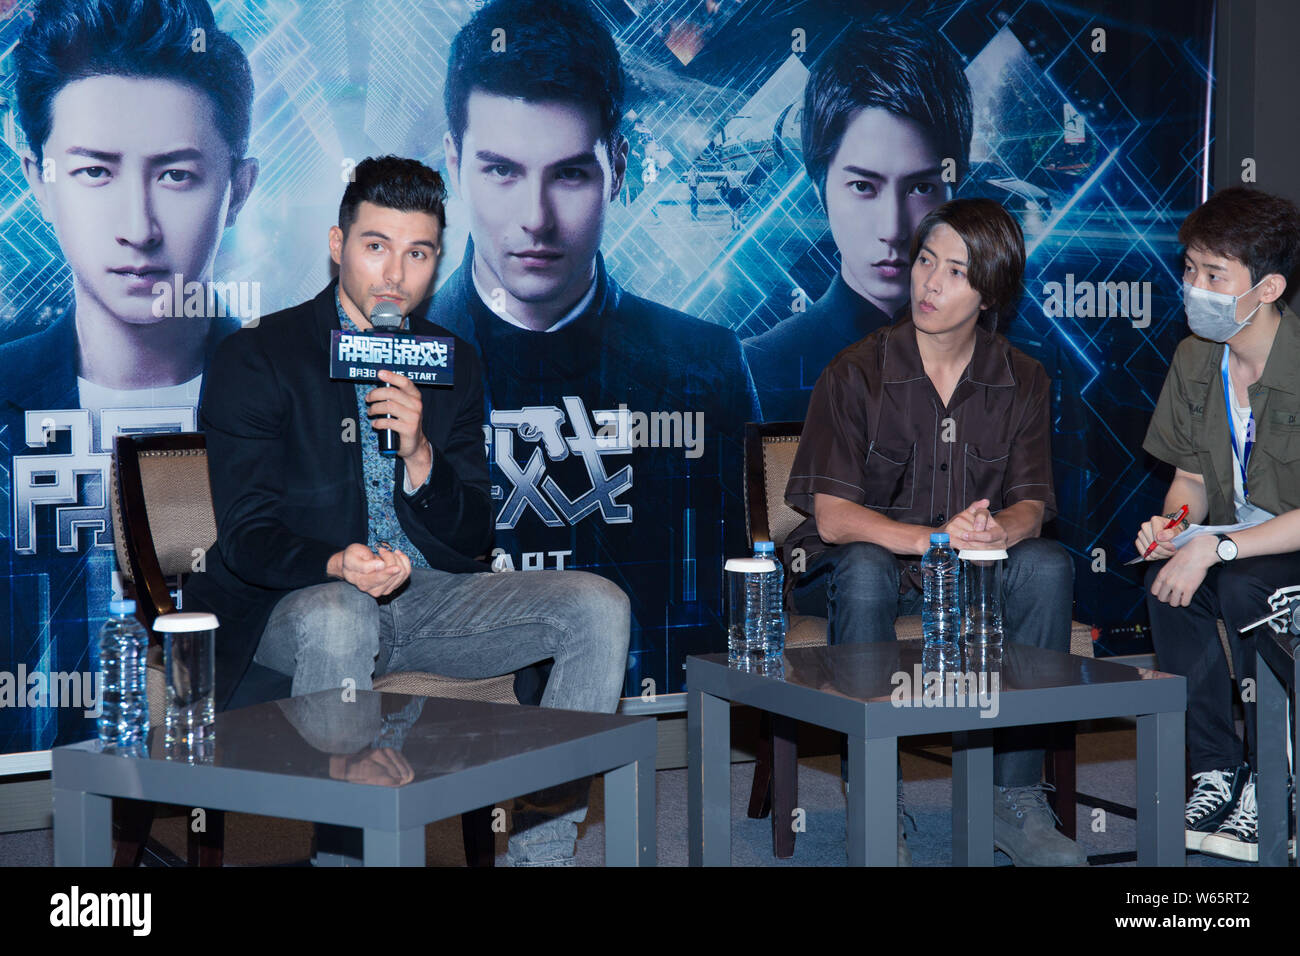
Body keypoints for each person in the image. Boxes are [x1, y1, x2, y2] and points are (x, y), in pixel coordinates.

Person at [184, 156, 631, 866]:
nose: (395, 274)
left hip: (428, 601)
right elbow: (246, 537)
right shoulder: (260, 356)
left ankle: (540, 857)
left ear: (436, 260)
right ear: (338, 246)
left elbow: (470, 543)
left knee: (597, 604)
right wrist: (337, 562)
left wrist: (421, 453)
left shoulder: (451, 361)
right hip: (295, 603)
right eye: (376, 246)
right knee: (342, 612)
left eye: (418, 252)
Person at [431, 0, 759, 702]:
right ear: (453, 165)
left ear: (617, 167)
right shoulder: (390, 359)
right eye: (501, 172)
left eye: (569, 174)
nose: (535, 218)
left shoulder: (704, 366)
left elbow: (737, 585)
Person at [785, 198, 1083, 867]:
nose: (930, 283)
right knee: (862, 564)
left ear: (991, 294)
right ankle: (874, 795)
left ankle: (1012, 798)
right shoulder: (854, 372)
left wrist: (992, 530)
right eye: (925, 261)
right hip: (863, 583)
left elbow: (1032, 505)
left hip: (969, 586)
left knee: (1045, 564)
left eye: (955, 271)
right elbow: (832, 517)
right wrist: (939, 540)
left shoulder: (1024, 379)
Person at [0, 0, 257, 752]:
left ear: (238, 188)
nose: (138, 227)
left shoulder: (303, 399)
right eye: (95, 172)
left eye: (176, 175)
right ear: (37, 179)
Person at [1138, 186, 1300, 863]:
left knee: (1242, 589)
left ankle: (1277, 787)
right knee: (1165, 578)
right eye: (1190, 270)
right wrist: (1176, 526)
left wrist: (1220, 547)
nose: (1193, 288)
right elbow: (1194, 480)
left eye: (1213, 275)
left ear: (1267, 287)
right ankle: (1216, 769)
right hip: (1238, 542)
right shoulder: (1196, 357)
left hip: (1283, 549)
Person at [743, 17, 972, 423]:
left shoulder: (1021, 370)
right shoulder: (757, 376)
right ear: (820, 190)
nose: (893, 229)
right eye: (864, 187)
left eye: (920, 188)